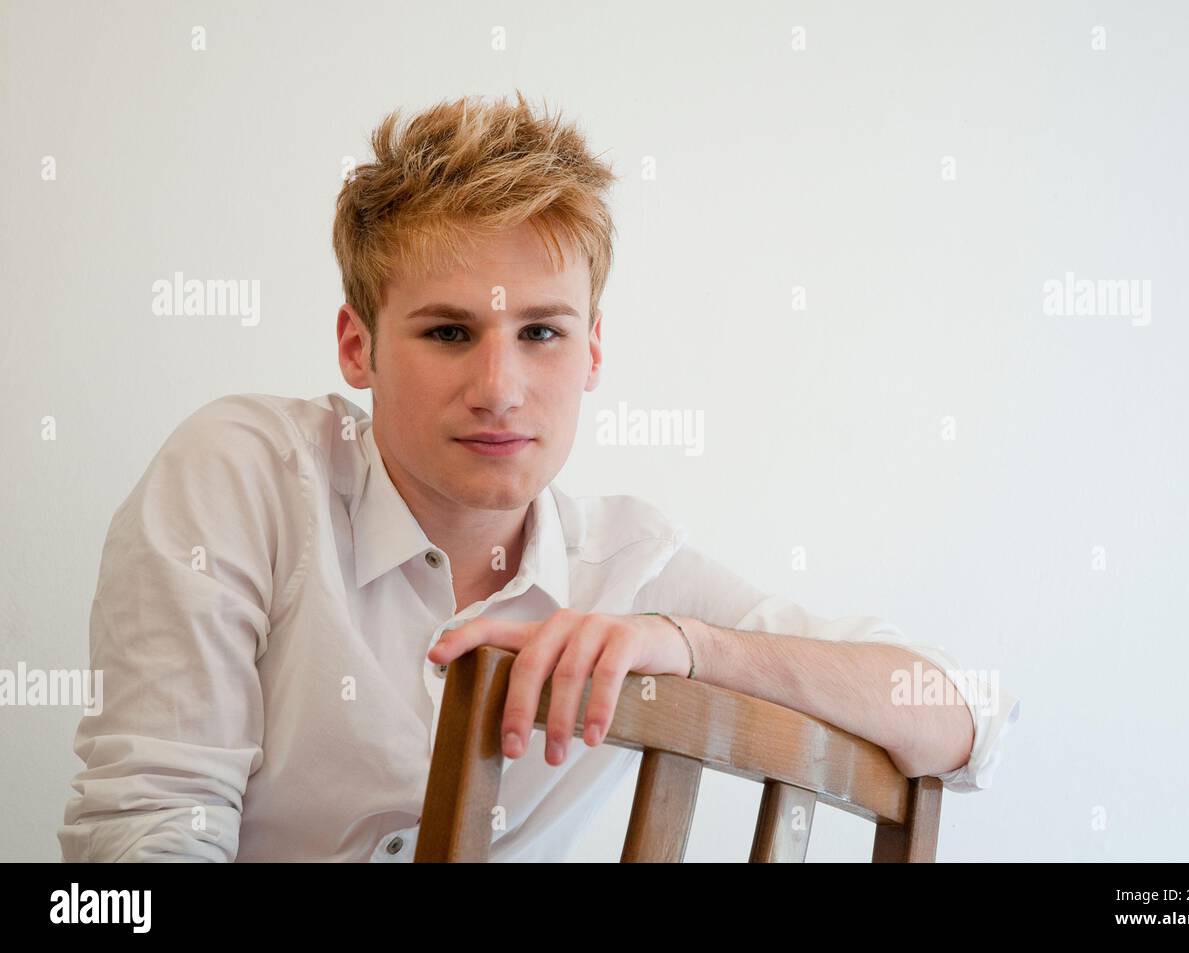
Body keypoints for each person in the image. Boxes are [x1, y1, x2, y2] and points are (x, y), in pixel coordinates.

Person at [58, 91, 1018, 862]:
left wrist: (688, 644)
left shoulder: (628, 569)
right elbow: (147, 838)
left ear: (592, 351)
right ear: (358, 345)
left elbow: (964, 715)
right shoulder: (245, 475)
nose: (499, 389)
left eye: (541, 334)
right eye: (447, 332)